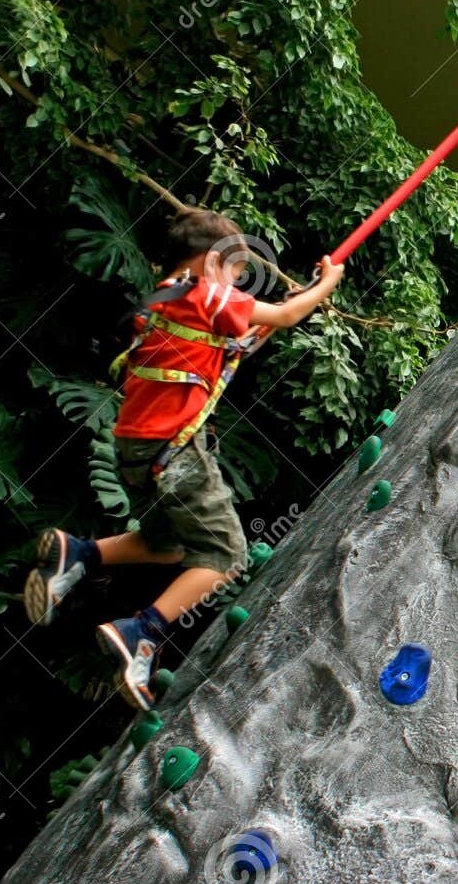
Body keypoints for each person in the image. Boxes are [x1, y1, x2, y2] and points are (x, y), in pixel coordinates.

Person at [24, 208, 344, 710]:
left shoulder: (167, 297)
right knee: (225, 555)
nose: (240, 278)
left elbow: (228, 345)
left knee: (171, 545)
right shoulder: (210, 292)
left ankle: (82, 554)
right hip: (176, 452)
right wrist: (327, 284)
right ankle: (140, 632)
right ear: (207, 261)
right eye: (235, 267)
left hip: (135, 448)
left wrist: (271, 314)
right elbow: (281, 316)